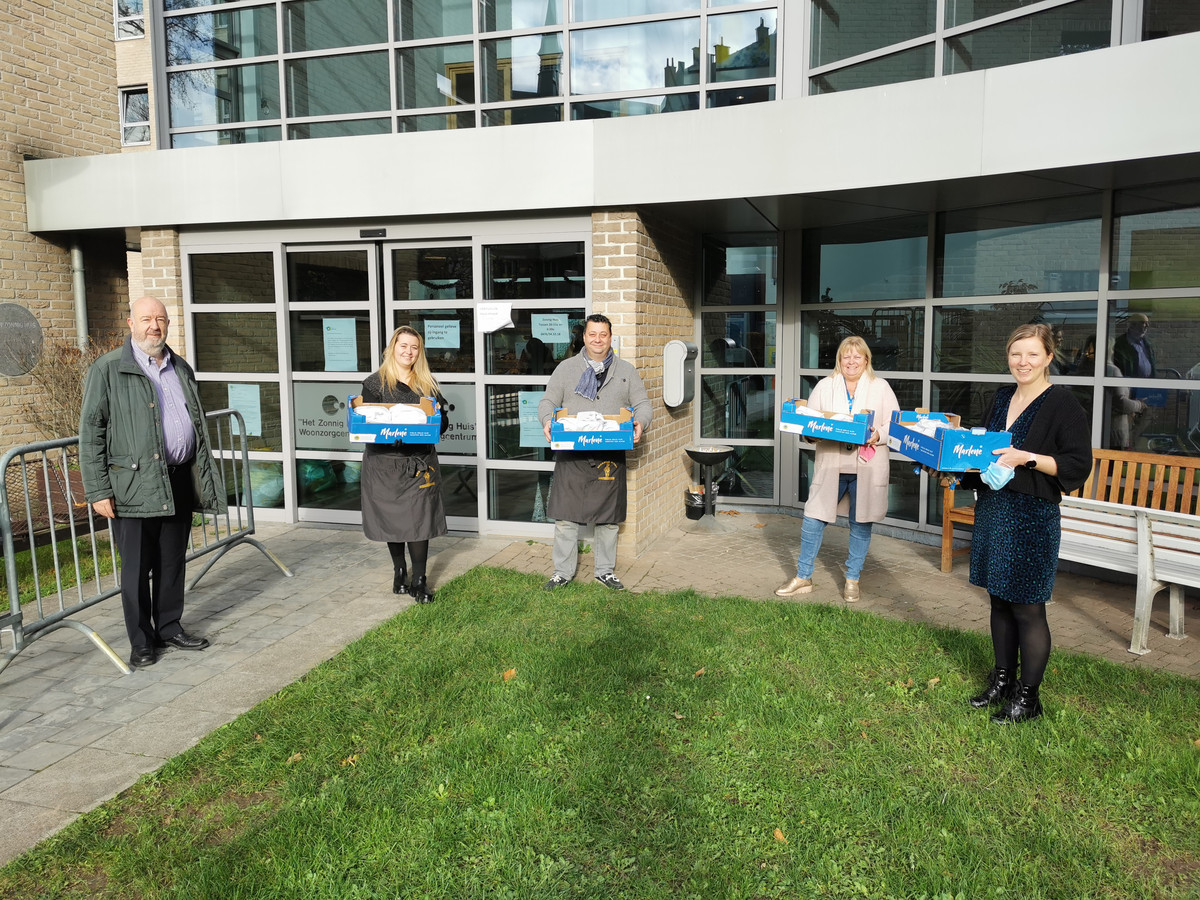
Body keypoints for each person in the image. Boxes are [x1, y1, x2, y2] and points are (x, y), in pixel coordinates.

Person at [79, 297, 223, 669]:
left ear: (169, 324)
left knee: (172, 562)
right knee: (136, 567)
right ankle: (142, 641)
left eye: (160, 319)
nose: (154, 326)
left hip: (176, 479)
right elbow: (91, 433)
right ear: (131, 323)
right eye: (146, 319)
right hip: (132, 487)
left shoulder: (181, 368)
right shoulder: (108, 369)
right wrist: (97, 490)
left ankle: (170, 626)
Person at [962, 323, 1092, 724]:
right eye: (1016, 354)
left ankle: (1028, 699)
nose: (1023, 362)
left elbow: (1076, 466)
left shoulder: (1063, 403)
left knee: (1028, 609)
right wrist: (952, 467)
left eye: (1032, 354)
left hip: (1032, 516)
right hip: (994, 510)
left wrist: (1027, 458)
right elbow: (983, 452)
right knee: (999, 601)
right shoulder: (1002, 397)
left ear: (1049, 357)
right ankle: (1002, 681)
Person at [775, 336, 899, 602]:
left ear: (866, 360)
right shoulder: (825, 386)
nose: (851, 361)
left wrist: (878, 436)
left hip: (867, 466)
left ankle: (852, 579)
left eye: (857, 356)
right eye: (846, 356)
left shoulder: (881, 387)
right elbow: (810, 423)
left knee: (861, 523)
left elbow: (894, 425)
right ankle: (803, 576)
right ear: (839, 360)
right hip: (832, 463)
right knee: (813, 519)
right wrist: (811, 434)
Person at [538, 314, 651, 591]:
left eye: (603, 334)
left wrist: (641, 422)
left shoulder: (626, 371)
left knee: (608, 519)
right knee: (565, 517)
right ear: (584, 337)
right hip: (572, 455)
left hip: (609, 456)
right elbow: (548, 401)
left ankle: (604, 571)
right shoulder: (565, 369)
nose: (597, 340)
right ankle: (562, 572)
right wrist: (546, 420)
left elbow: (643, 404)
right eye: (592, 334)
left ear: (610, 338)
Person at [359, 326, 449, 605]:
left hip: (420, 463)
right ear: (392, 348)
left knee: (419, 521)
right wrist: (389, 437)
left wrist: (438, 421)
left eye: (414, 347)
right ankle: (400, 571)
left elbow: (442, 420)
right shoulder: (374, 384)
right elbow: (366, 421)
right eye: (403, 346)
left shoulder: (427, 383)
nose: (408, 352)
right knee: (393, 521)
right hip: (385, 464)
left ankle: (419, 580)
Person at [1112, 313, 1155, 379]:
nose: (1147, 325)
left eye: (1147, 323)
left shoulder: (1147, 344)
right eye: (1143, 322)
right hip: (1130, 385)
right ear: (1132, 325)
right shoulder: (1120, 344)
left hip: (1148, 385)